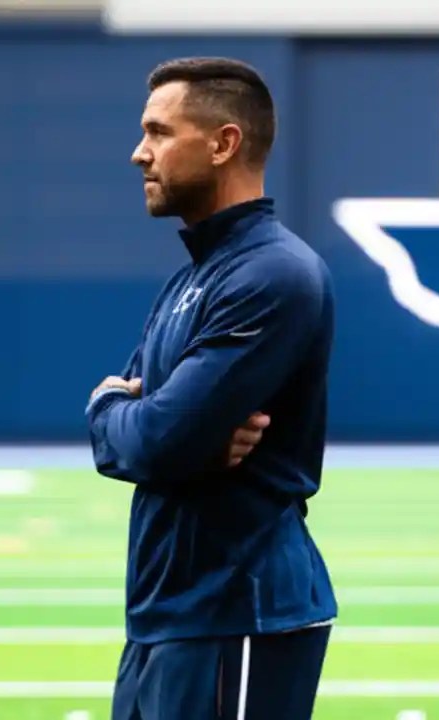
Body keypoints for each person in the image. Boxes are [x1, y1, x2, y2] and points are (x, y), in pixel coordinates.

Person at [84, 57, 338, 720]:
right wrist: (118, 411)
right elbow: (133, 434)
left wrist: (138, 419)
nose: (139, 153)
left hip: (238, 615)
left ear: (224, 143)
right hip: (166, 617)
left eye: (160, 133)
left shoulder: (275, 275)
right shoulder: (192, 279)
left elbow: (161, 439)